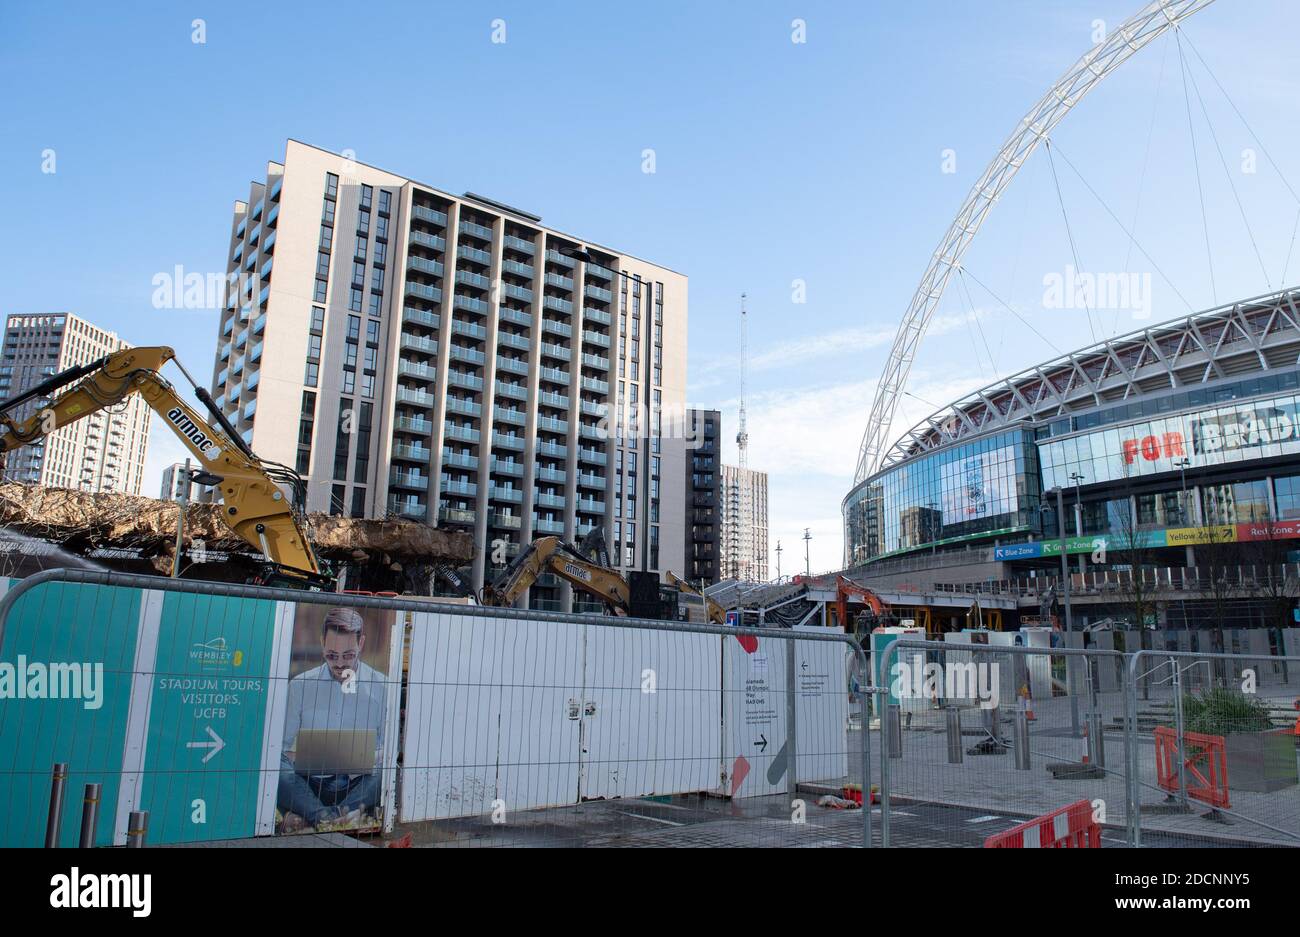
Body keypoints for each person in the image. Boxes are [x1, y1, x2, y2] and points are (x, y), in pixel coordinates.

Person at [278, 607, 387, 833]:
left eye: (348, 655)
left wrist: (364, 757)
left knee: (389, 770)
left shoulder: (383, 686)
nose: (339, 664)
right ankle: (334, 818)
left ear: (361, 644)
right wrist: (304, 757)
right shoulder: (300, 685)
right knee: (275, 767)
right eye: (331, 655)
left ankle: (320, 818)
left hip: (359, 783)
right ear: (321, 643)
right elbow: (280, 748)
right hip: (310, 782)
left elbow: (388, 749)